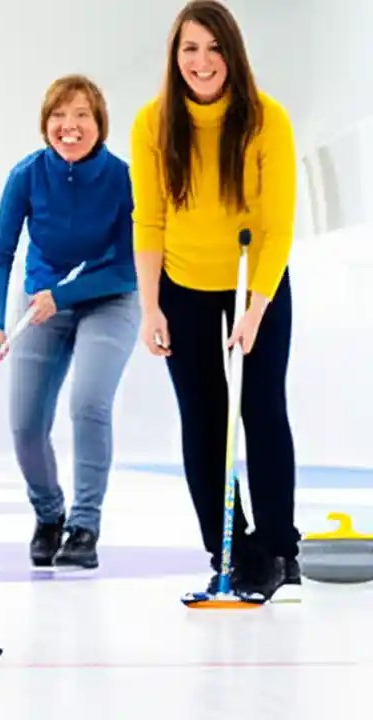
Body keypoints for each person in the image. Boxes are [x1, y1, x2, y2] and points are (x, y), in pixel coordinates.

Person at [130, 0, 299, 600]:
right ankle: (229, 548)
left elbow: (277, 225)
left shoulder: (265, 120)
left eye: (213, 48)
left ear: (232, 54)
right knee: (202, 424)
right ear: (175, 58)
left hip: (255, 283)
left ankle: (281, 548)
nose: (201, 62)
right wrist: (151, 307)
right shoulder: (153, 123)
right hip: (183, 286)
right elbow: (148, 221)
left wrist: (255, 311)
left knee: (261, 410)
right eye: (189, 49)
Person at [0, 74, 139, 571]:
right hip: (39, 303)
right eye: (59, 117)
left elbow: (130, 263)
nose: (69, 127)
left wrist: (66, 294)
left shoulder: (123, 178)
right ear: (45, 124)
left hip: (109, 300)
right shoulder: (26, 175)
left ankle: (84, 525)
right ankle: (50, 515)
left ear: (100, 125)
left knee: (88, 404)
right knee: (26, 424)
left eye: (82, 117)